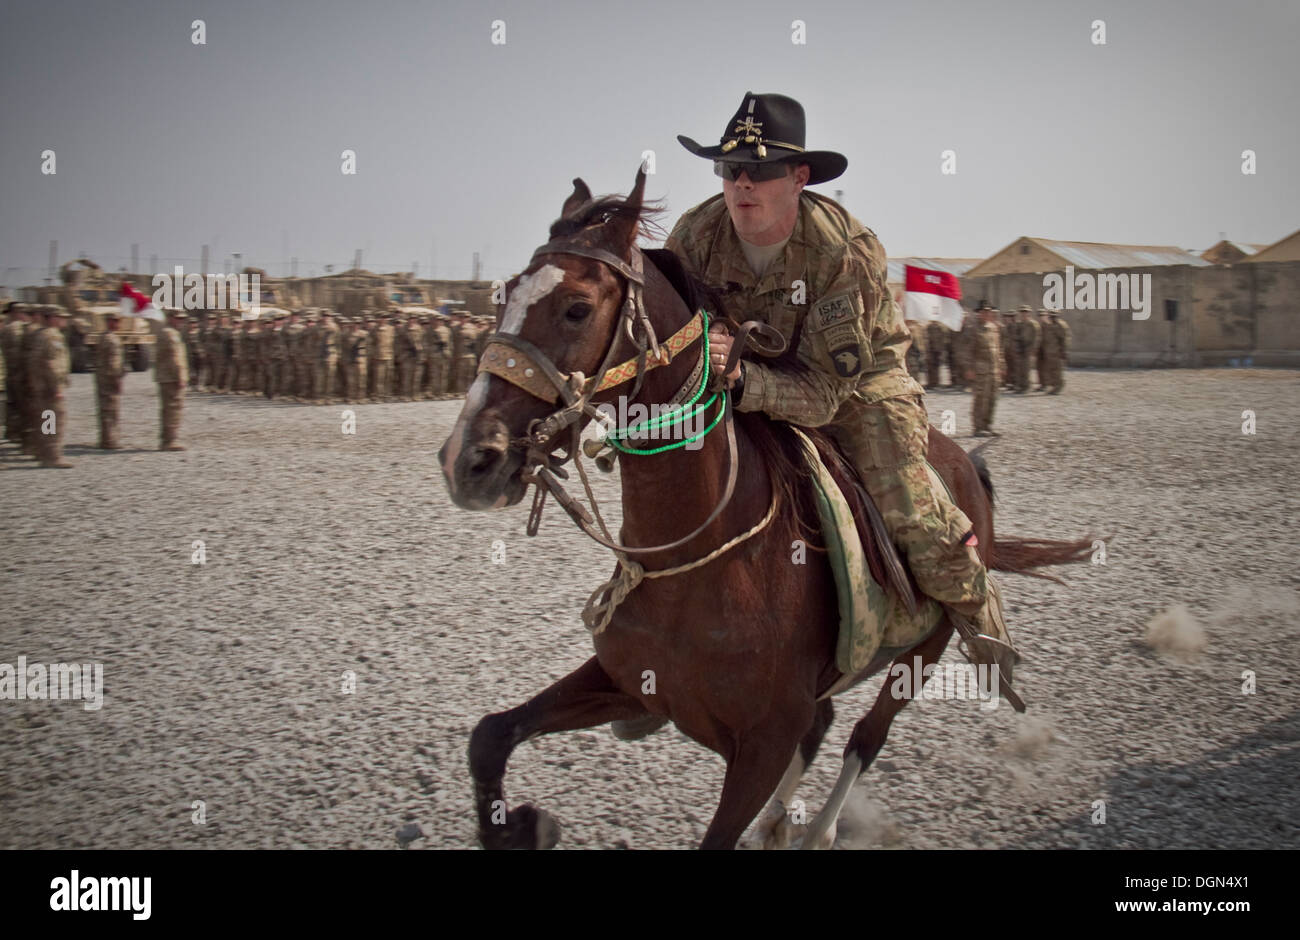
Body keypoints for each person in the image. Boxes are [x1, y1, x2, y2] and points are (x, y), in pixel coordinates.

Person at [666, 92, 1012, 678]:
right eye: (730, 169)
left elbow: (827, 394)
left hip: (855, 384)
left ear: (799, 176)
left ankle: (978, 610)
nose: (741, 184)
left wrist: (743, 378)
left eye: (761, 169)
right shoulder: (696, 236)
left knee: (903, 496)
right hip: (736, 367)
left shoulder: (840, 250)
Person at [29, 306, 74, 468]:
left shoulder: (39, 334)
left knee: (46, 419)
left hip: (41, 385)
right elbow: (51, 364)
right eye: (61, 317)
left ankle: (44, 454)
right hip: (50, 387)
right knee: (54, 419)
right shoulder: (52, 336)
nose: (64, 320)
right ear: (53, 318)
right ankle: (52, 457)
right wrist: (56, 387)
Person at [152, 308, 188, 450]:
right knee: (173, 409)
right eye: (178, 319)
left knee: (167, 409)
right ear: (170, 318)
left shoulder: (164, 332)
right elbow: (176, 359)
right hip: (171, 378)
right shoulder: (170, 334)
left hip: (165, 377)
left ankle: (166, 439)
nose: (181, 322)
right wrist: (180, 377)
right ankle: (170, 441)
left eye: (182, 319)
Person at [966, 302, 1002, 437]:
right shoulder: (973, 329)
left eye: (989, 311)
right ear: (979, 313)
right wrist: (969, 368)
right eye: (984, 312)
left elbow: (998, 349)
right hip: (980, 370)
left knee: (992, 398)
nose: (987, 314)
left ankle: (988, 425)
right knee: (980, 399)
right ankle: (978, 427)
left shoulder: (993, 328)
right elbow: (968, 351)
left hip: (993, 370)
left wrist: (1001, 366)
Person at [95, 311, 126, 448]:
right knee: (111, 410)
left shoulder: (103, 337)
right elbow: (113, 363)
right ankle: (110, 441)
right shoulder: (112, 339)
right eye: (116, 321)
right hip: (109, 379)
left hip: (102, 378)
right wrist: (117, 380)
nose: (118, 324)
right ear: (110, 322)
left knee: (105, 409)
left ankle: (105, 439)